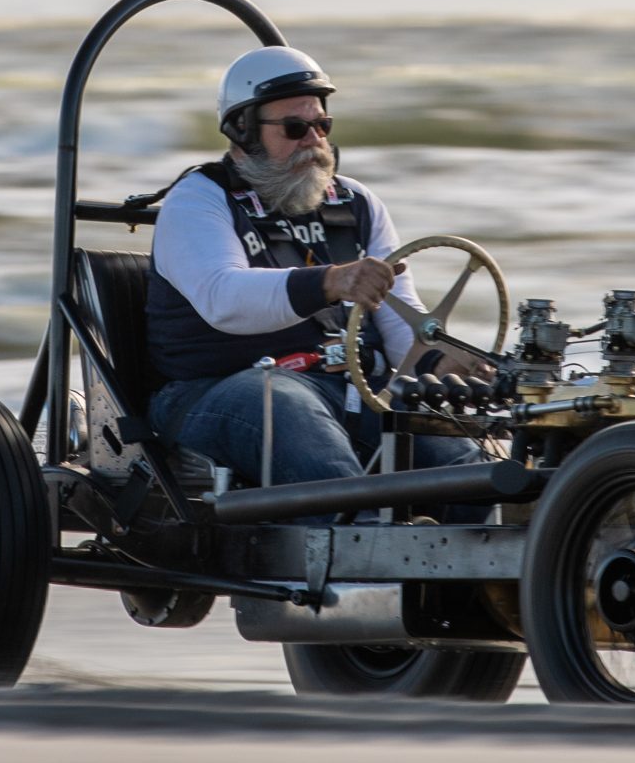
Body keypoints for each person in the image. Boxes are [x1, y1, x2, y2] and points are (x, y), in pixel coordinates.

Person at [146, 46, 486, 501]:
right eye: (294, 128)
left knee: (460, 459)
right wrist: (332, 282)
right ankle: (359, 558)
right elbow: (223, 299)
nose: (313, 140)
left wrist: (437, 362)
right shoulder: (199, 200)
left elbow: (401, 318)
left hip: (351, 382)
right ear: (243, 129)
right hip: (220, 392)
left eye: (321, 125)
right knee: (293, 419)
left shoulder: (356, 204)